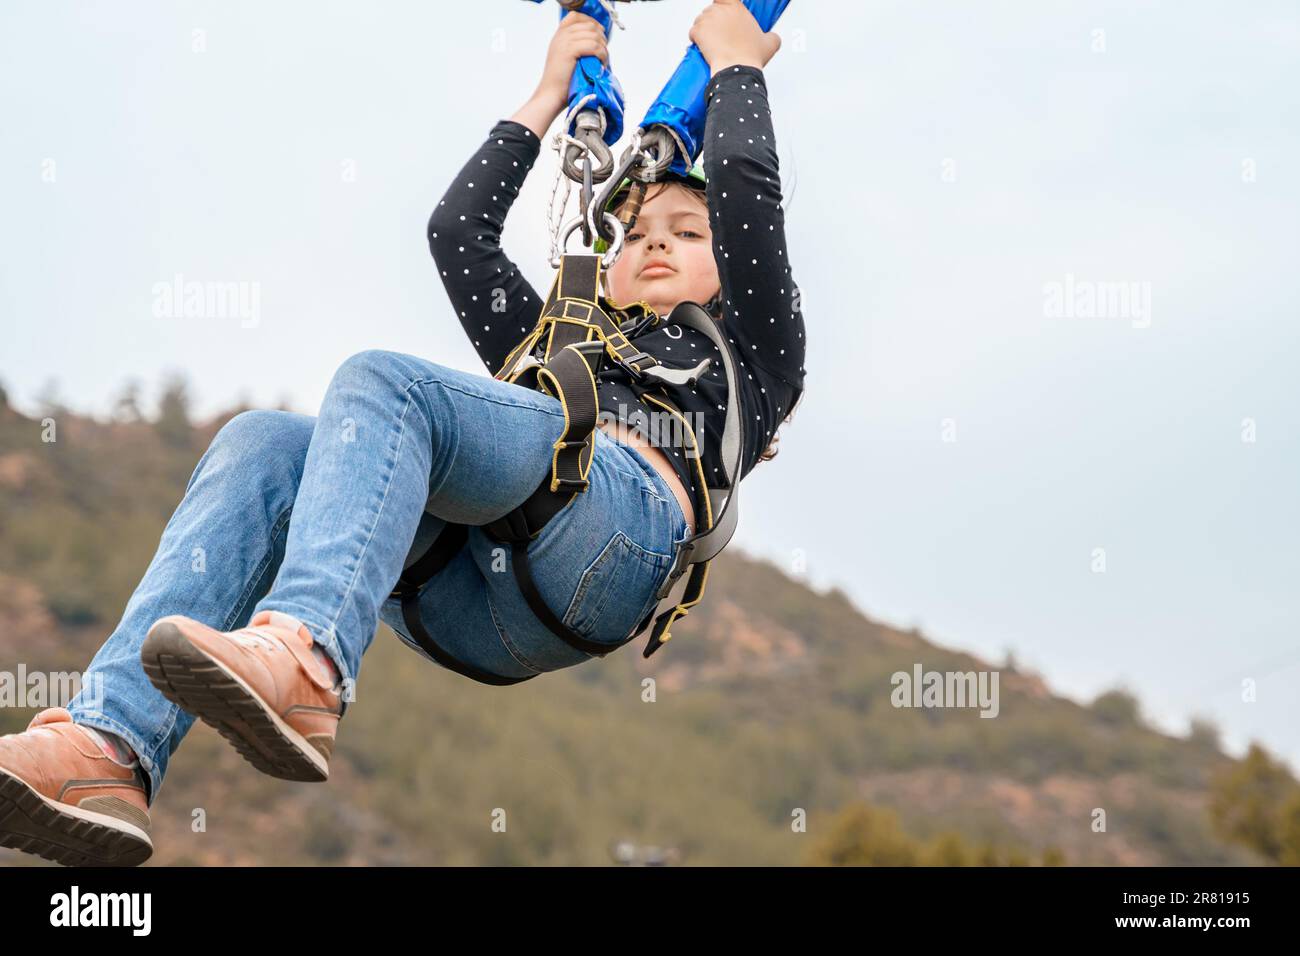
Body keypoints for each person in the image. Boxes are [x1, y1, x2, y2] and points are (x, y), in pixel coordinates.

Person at [0, 0, 806, 868]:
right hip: (460, 590)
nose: (656, 243)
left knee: (384, 381)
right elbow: (456, 233)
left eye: (688, 234)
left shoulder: (754, 352)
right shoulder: (557, 340)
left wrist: (734, 68)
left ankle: (306, 657)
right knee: (263, 443)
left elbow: (747, 190)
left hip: (611, 540)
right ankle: (107, 751)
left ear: (730, 268)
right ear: (603, 261)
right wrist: (544, 98)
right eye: (638, 232)